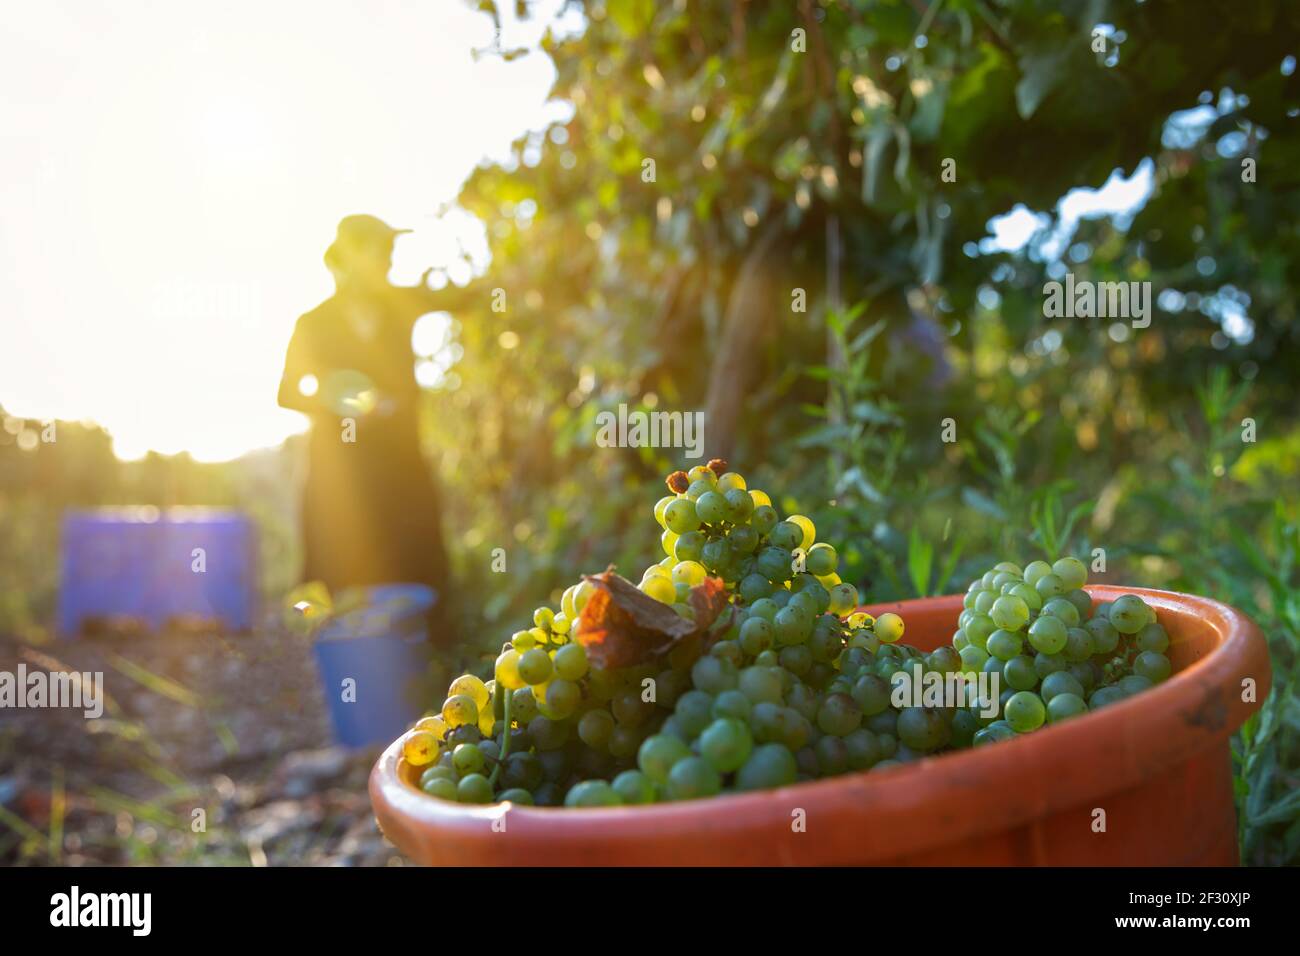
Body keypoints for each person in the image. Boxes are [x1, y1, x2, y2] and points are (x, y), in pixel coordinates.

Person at [278, 214, 450, 630]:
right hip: (341, 476)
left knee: (416, 571)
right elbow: (286, 392)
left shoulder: (402, 307)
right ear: (352, 254)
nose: (390, 261)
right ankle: (357, 677)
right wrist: (337, 402)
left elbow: (467, 296)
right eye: (382, 251)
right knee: (345, 580)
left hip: (402, 467)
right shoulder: (314, 323)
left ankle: (426, 680)